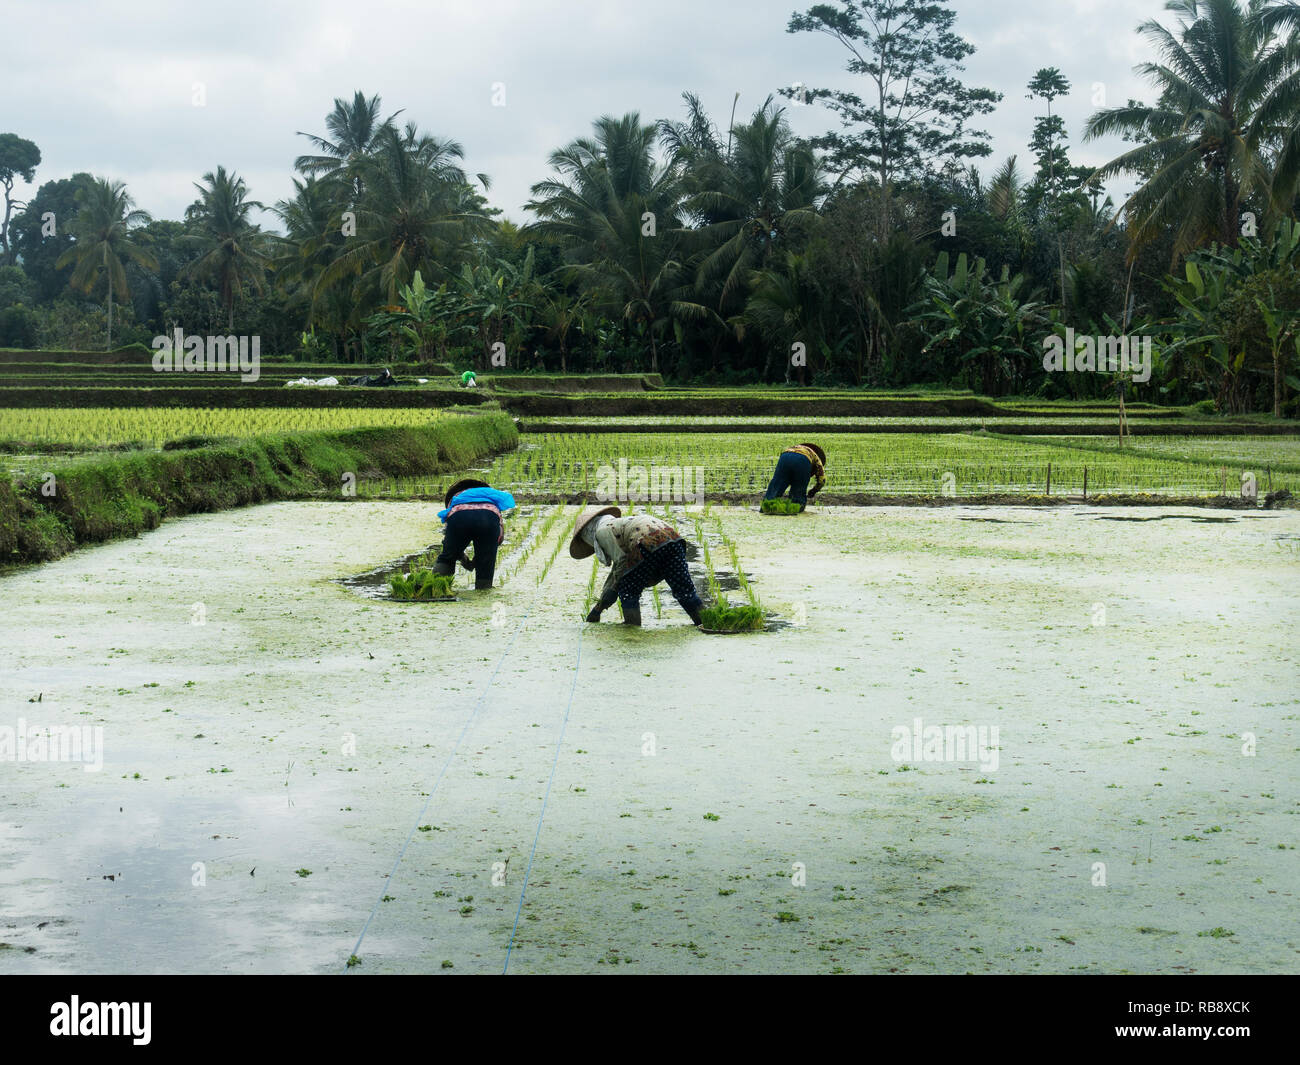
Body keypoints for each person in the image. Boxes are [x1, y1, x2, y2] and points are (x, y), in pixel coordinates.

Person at [570, 506, 704, 628]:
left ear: (588, 533)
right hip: (673, 540)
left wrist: (599, 608)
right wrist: (601, 604)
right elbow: (620, 566)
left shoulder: (602, 531)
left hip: (646, 542)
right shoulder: (619, 524)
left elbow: (621, 566)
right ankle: (707, 622)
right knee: (685, 590)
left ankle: (632, 628)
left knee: (628, 591)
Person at [432, 478, 515, 589]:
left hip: (459, 515)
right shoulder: (491, 502)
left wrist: (462, 557)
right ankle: (483, 591)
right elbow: (498, 538)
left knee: (447, 558)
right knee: (485, 566)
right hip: (488, 517)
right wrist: (479, 560)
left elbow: (450, 542)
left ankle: (436, 589)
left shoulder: (455, 502)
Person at [762, 442, 826, 511]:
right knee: (798, 491)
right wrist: (813, 491)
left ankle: (766, 507)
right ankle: (795, 509)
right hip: (802, 460)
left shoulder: (792, 448)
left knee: (776, 485)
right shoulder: (816, 457)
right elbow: (822, 480)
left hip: (784, 457)